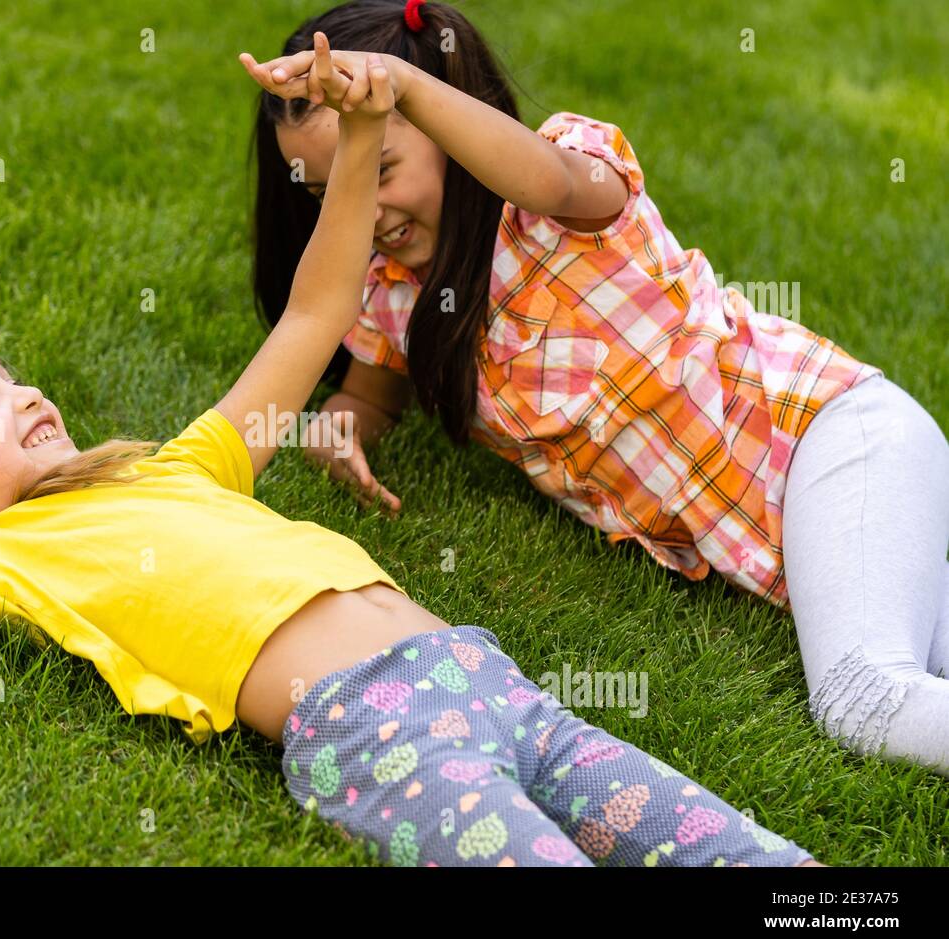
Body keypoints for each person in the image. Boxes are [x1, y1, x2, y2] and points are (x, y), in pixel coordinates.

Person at [0, 49, 821, 867]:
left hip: (494, 680)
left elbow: (313, 318)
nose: (22, 392)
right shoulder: (1, 566)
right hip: (374, 729)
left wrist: (362, 134)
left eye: (6, 371)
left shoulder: (181, 466)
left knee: (744, 854)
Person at [241, 0, 949, 777]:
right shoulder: (391, 294)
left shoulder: (557, 197)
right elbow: (370, 400)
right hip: (795, 528)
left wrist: (400, 82)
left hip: (825, 439)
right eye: (324, 192)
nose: (362, 212)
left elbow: (542, 179)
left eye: (378, 167)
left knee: (865, 700)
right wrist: (338, 429)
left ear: (440, 119)